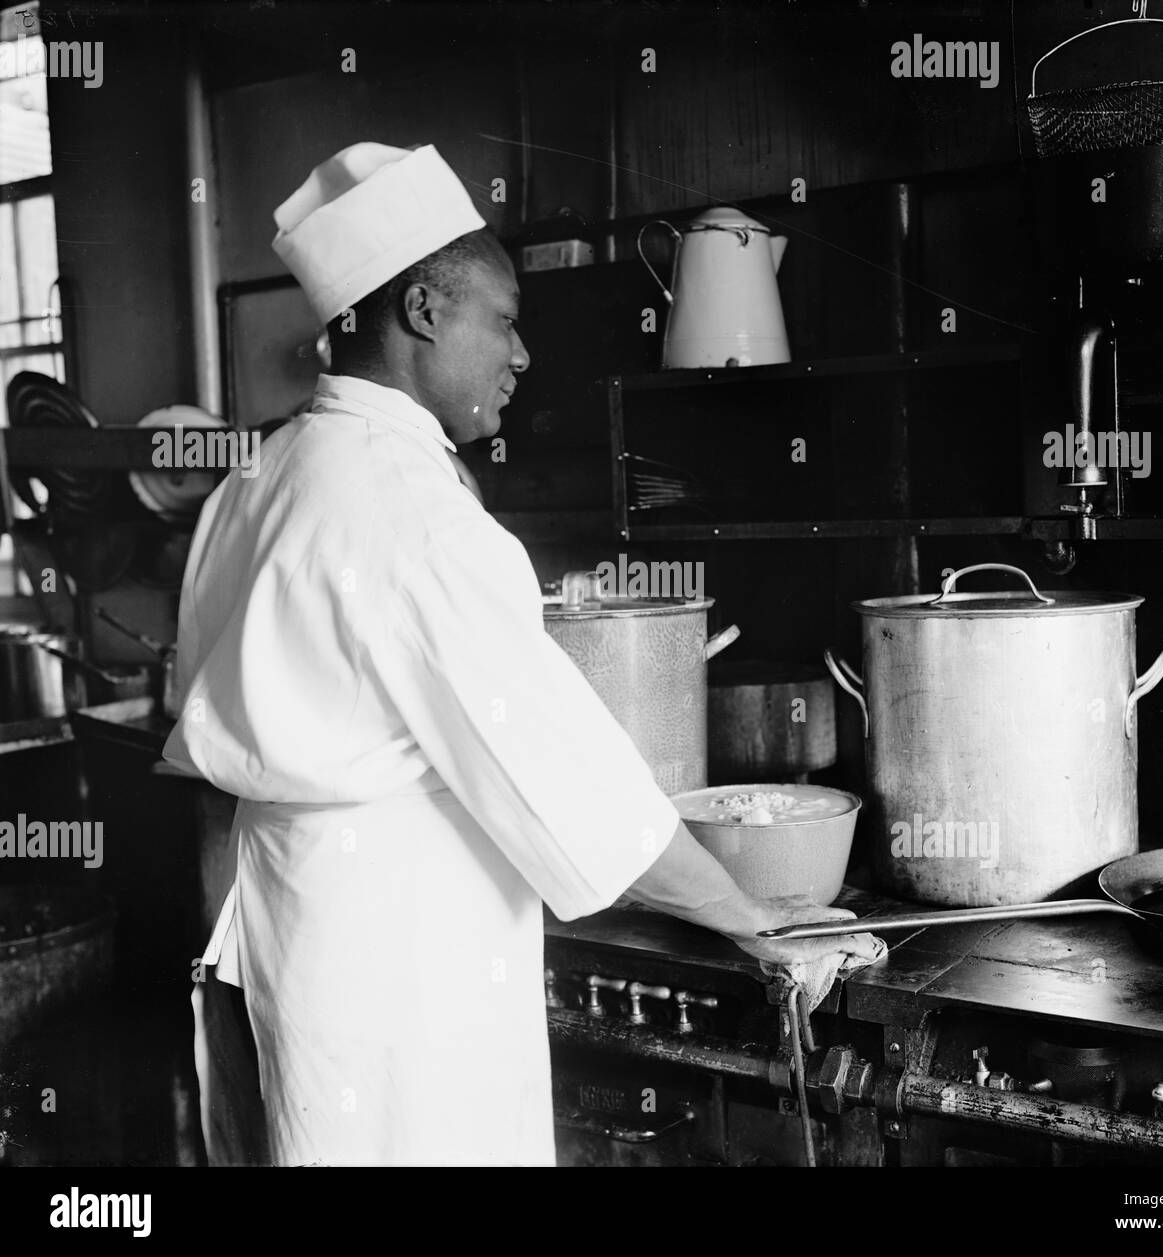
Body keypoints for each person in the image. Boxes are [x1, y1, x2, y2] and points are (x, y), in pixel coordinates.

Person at [163, 141, 882, 1167]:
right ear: (421, 312)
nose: (521, 355)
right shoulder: (414, 513)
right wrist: (753, 917)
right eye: (502, 320)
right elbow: (569, 787)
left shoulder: (256, 477)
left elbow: (201, 735)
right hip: (402, 961)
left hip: (288, 926)